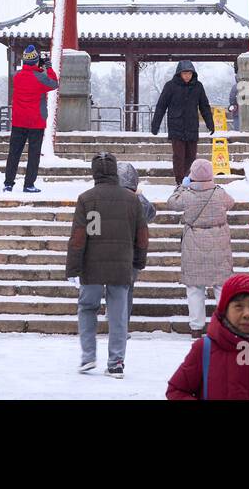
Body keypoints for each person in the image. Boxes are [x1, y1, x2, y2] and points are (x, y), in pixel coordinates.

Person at [66, 153, 149, 378]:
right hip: (121, 265)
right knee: (118, 314)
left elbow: (79, 237)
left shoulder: (86, 199)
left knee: (87, 308)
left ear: (94, 173)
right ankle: (116, 362)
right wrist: (138, 262)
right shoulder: (131, 200)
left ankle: (88, 356)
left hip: (91, 266)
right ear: (114, 172)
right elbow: (142, 235)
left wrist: (73, 269)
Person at [165, 158, 235, 338]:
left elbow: (172, 202)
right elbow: (231, 203)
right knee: (221, 286)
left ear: (192, 176)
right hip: (218, 243)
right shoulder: (219, 193)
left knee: (195, 288)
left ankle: (196, 327)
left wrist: (182, 185)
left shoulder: (187, 195)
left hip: (193, 244)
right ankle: (224, 325)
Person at [151, 59, 215, 185]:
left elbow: (204, 106)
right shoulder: (170, 86)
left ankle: (189, 179)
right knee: (179, 156)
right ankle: (179, 181)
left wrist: (210, 123)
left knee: (191, 156)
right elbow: (161, 106)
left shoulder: (198, 86)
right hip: (176, 126)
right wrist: (155, 125)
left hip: (191, 125)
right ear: (179, 73)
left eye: (190, 73)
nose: (187, 76)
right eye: (185, 73)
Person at [3, 45, 57, 193]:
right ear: (35, 61)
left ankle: (8, 183)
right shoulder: (40, 77)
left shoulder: (17, 77)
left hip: (19, 121)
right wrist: (48, 67)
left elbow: (30, 75)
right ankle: (28, 184)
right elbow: (54, 83)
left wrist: (38, 66)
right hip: (36, 122)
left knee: (14, 153)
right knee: (33, 154)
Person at [117, 160, 156, 334]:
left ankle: (116, 320)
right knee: (127, 290)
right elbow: (150, 213)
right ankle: (122, 324)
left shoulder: (108, 196)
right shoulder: (137, 200)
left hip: (110, 252)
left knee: (114, 289)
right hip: (131, 253)